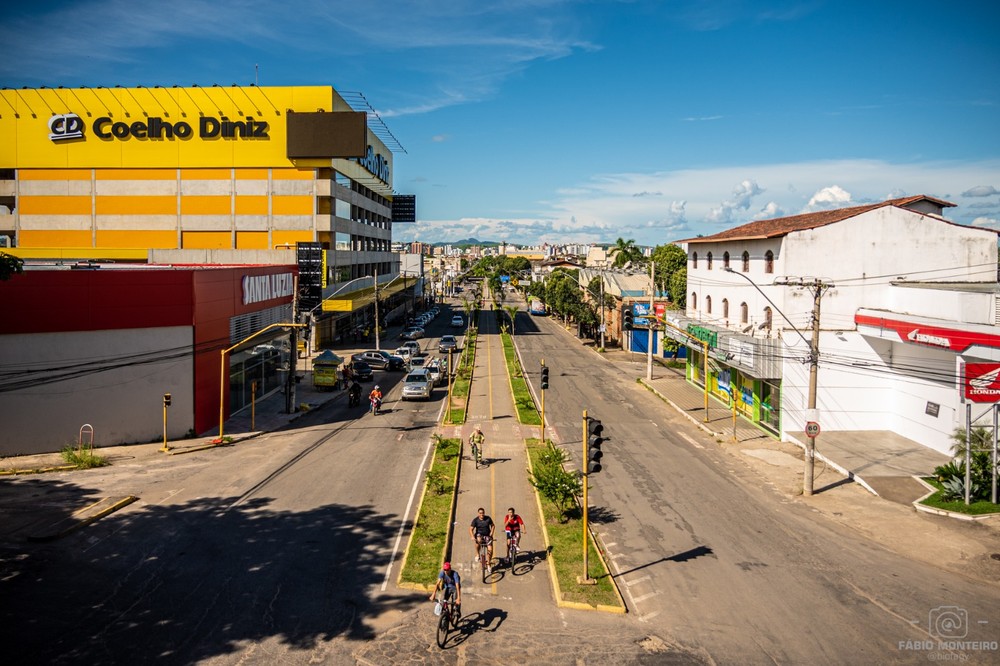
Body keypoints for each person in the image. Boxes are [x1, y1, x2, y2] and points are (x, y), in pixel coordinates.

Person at [469, 507, 495, 572]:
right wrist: (472, 536)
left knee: (490, 550)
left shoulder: (488, 518)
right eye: (480, 513)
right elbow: (470, 529)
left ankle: (488, 564)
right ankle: (477, 554)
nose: (482, 514)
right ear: (478, 513)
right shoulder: (475, 520)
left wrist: (491, 533)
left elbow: (493, 525)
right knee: (478, 540)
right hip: (479, 534)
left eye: (483, 513)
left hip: (487, 535)